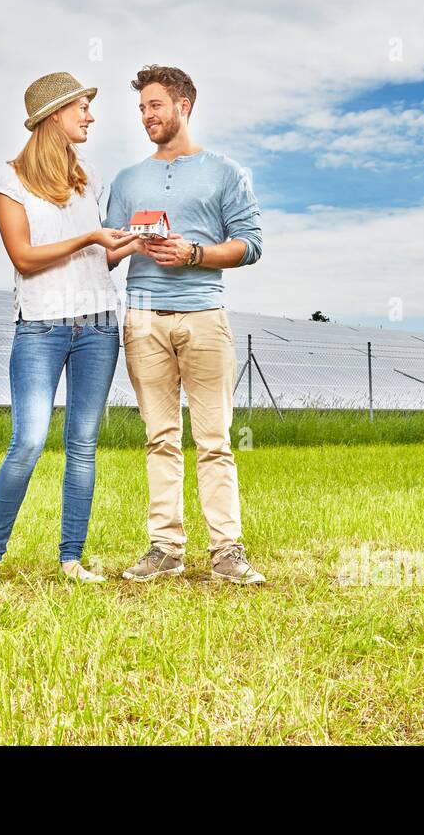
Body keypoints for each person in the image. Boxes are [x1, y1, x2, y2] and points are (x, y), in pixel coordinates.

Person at [0, 72, 141, 588]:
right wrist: (90, 235)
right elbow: (23, 258)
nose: (90, 116)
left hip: (97, 328)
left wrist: (127, 245)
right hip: (40, 329)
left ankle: (71, 561)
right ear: (53, 116)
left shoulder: (88, 180)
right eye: (82, 108)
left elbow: (98, 261)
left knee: (83, 445)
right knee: (29, 440)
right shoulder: (10, 181)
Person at [103, 64, 266, 584]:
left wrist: (194, 252)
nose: (147, 116)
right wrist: (132, 240)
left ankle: (227, 551)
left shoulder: (226, 173)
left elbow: (251, 244)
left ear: (183, 106)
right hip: (143, 320)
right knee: (160, 437)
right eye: (142, 109)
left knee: (214, 440)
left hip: (204, 317)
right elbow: (105, 254)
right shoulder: (127, 180)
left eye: (155, 106)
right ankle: (166, 548)